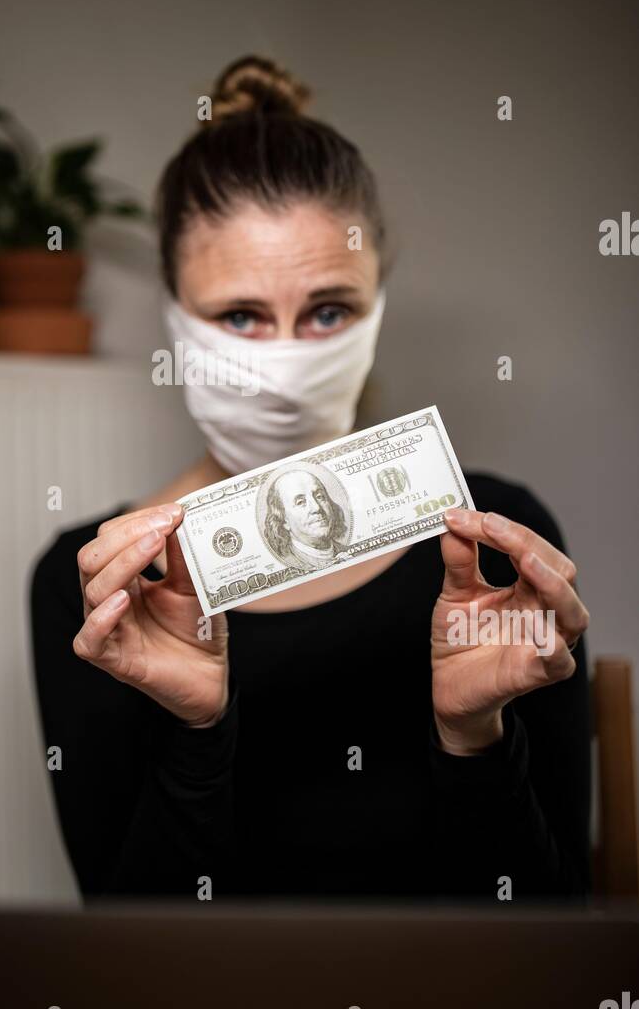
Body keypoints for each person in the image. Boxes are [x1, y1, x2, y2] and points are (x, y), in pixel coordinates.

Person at [30, 55, 591, 903]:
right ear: (175, 318)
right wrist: (195, 733)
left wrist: (474, 737)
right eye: (241, 315)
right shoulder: (98, 584)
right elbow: (125, 955)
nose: (286, 362)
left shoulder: (493, 544)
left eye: (328, 311)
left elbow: (554, 938)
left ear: (377, 309)